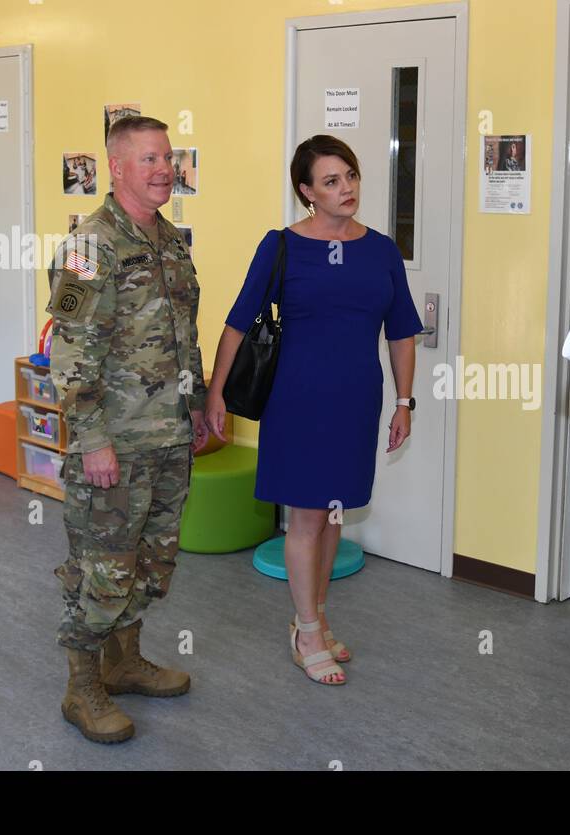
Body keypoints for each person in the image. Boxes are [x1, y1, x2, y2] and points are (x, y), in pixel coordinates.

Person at [206, 135, 421, 686]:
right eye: (330, 181)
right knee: (305, 518)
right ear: (307, 192)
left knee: (332, 516)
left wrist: (404, 401)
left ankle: (317, 618)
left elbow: (401, 333)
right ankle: (305, 632)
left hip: (355, 401)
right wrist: (214, 394)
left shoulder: (379, 250)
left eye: (350, 175)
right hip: (298, 400)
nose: (346, 188)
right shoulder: (282, 245)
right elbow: (238, 322)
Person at [48, 115, 207, 744]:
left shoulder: (169, 241)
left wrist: (194, 408)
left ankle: (124, 662)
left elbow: (183, 336)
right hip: (112, 442)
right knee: (103, 566)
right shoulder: (90, 248)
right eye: (149, 159)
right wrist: (92, 441)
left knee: (151, 562)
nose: (164, 169)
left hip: (167, 435)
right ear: (116, 168)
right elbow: (72, 354)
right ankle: (81, 687)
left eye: (167, 157)